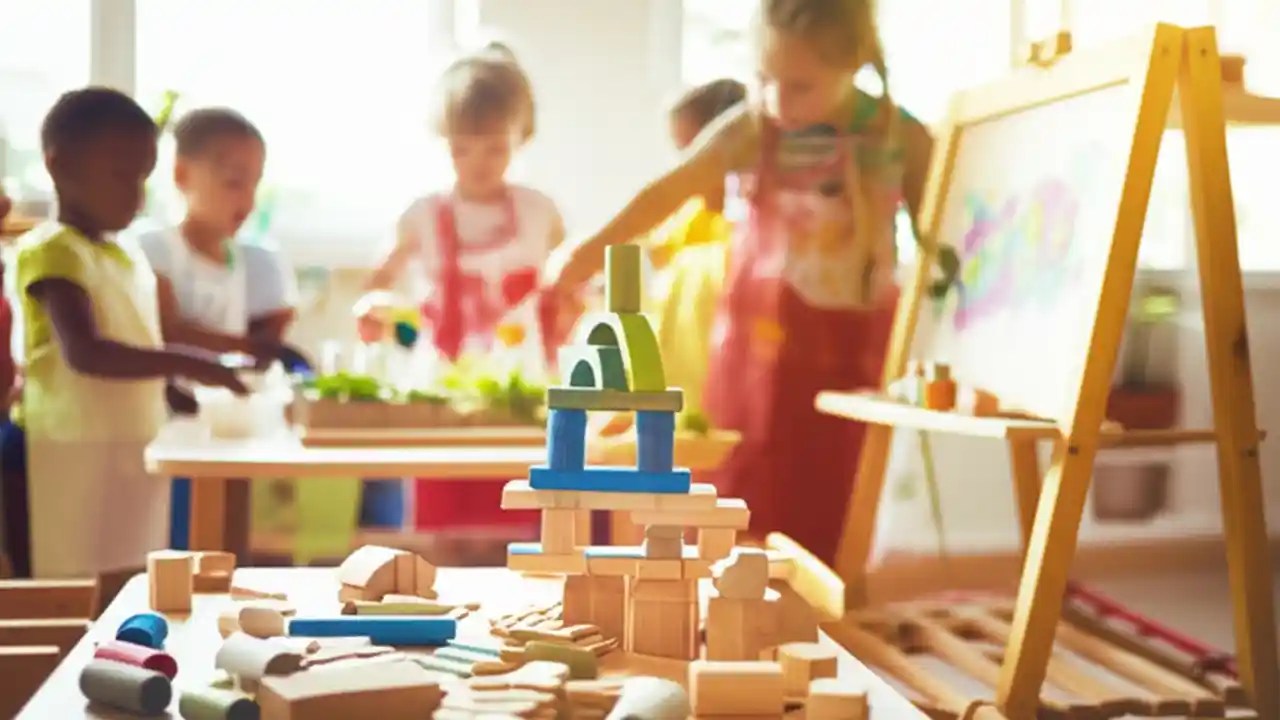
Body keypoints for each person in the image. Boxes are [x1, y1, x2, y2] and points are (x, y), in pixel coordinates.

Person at [545, 0, 934, 564]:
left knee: (838, 477)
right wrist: (585, 252)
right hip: (761, 349)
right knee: (753, 476)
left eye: (799, 86)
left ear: (852, 62)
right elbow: (664, 193)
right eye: (764, 79)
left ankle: (825, 592)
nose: (778, 101)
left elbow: (943, 231)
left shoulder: (901, 136)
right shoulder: (753, 128)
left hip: (853, 349)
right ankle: (741, 584)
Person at [14, 88, 246, 586]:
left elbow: (132, 335)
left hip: (127, 448)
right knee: (73, 585)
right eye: (121, 175)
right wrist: (190, 362)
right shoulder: (53, 250)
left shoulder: (124, 255)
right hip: (66, 454)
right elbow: (86, 352)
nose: (136, 194)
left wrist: (174, 393)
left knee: (129, 580)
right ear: (60, 166)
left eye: (143, 177)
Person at [356, 43, 561, 550]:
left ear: (522, 137)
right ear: (442, 140)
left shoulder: (540, 213)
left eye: (496, 147)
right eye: (462, 148)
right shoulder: (421, 214)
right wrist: (376, 312)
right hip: (438, 400)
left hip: (518, 400)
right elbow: (375, 290)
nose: (478, 162)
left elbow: (572, 288)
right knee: (441, 539)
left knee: (513, 535)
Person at [134, 107, 304, 552]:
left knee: (227, 536)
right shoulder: (154, 249)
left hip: (227, 426)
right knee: (174, 538)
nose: (246, 199)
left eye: (254, 183)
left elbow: (269, 345)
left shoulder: (257, 260)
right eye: (233, 181)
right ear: (182, 174)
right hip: (165, 426)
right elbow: (170, 331)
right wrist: (250, 346)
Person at [646, 78, 747, 414]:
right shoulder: (689, 215)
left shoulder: (743, 224)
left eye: (695, 155)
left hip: (722, 371)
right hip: (675, 379)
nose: (689, 171)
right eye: (681, 156)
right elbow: (654, 255)